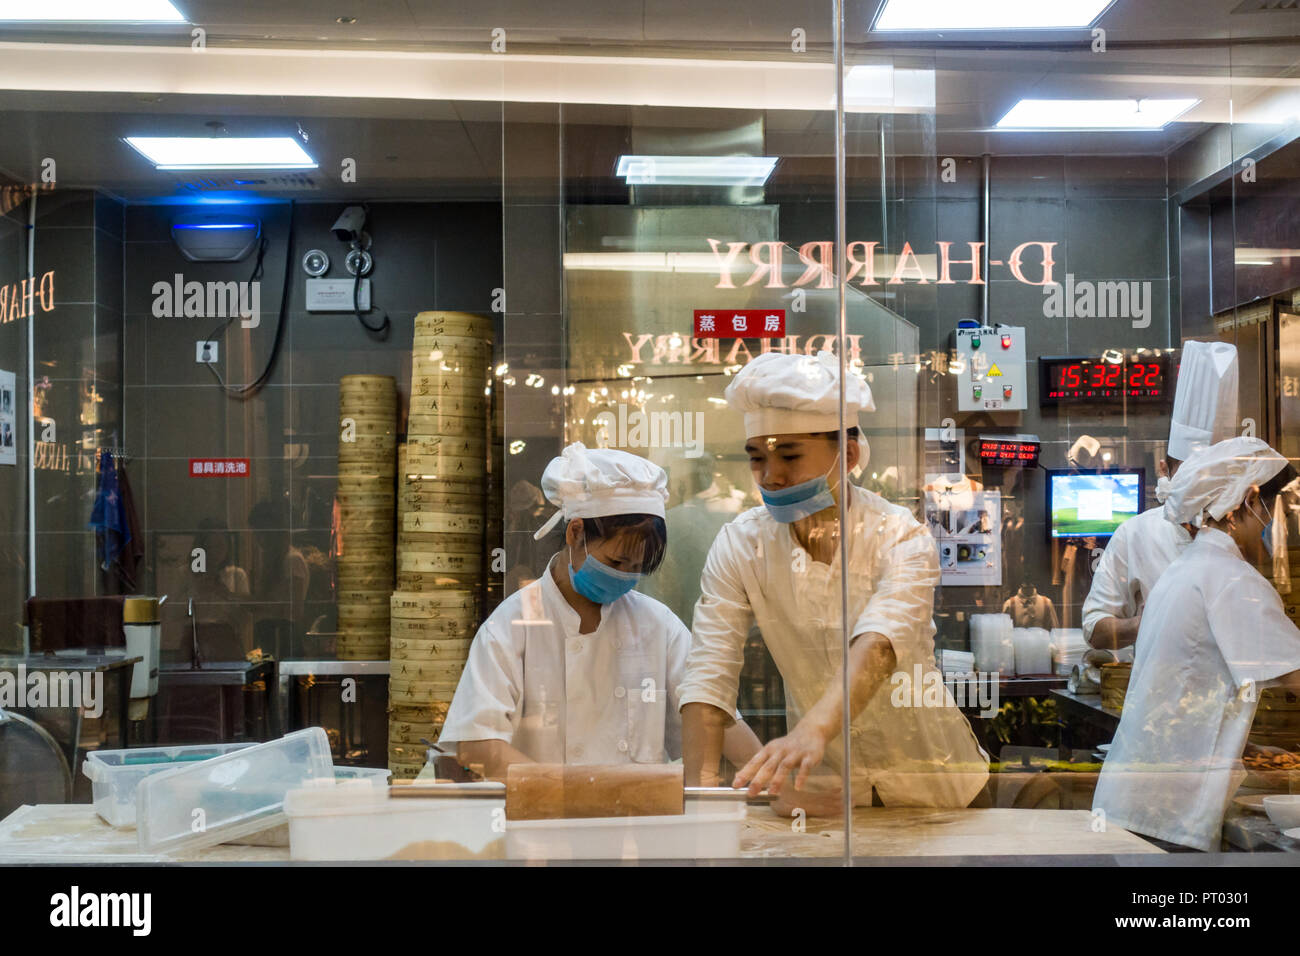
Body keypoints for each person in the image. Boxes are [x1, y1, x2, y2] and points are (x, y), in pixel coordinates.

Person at [678, 351, 989, 814]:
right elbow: (709, 674)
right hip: (827, 798)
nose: (772, 476)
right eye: (757, 458)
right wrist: (698, 797)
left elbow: (882, 641)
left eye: (789, 455)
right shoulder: (741, 545)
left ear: (849, 454)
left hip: (938, 786)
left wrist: (814, 730)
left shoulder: (900, 534)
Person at [439, 442, 760, 779]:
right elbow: (477, 746)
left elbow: (713, 714)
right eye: (617, 562)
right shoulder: (514, 623)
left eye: (638, 568)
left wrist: (768, 771)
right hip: (543, 823)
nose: (627, 577)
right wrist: (571, 795)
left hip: (638, 825)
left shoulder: (657, 625)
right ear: (576, 532)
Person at [1092, 437, 1300, 851]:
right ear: (1248, 498)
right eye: (1270, 510)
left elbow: (1189, 682)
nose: (1270, 525)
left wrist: (1240, 740)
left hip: (1138, 801)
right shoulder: (1232, 579)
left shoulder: (1186, 568)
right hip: (1170, 811)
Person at [1083, 341, 1239, 659]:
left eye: (1210, 473)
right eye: (1189, 472)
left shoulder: (1243, 528)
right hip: (1160, 693)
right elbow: (1095, 628)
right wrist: (1143, 624)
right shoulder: (1137, 534)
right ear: (1164, 470)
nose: (1200, 485)